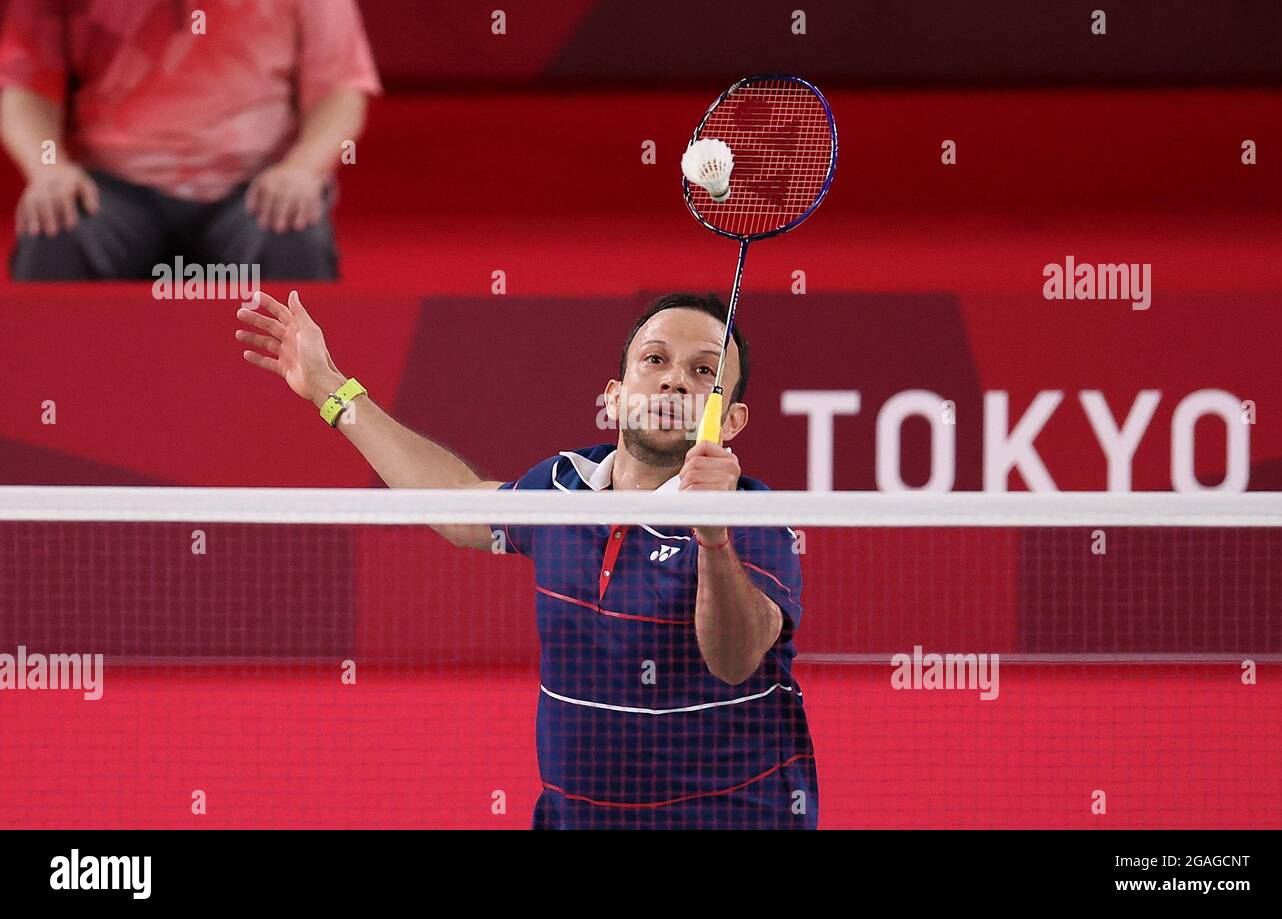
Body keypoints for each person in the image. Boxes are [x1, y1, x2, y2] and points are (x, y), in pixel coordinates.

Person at [236, 289, 818, 829]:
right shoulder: (563, 488)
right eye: (655, 360)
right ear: (614, 395)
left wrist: (714, 537)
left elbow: (736, 659)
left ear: (733, 422)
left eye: (703, 372)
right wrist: (331, 389)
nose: (673, 383)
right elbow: (457, 510)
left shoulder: (754, 519)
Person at [0, 0, 381, 281]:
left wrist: (301, 170)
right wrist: (47, 169)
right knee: (52, 227)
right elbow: (25, 88)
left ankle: (305, 390)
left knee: (294, 230)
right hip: (111, 192)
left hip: (251, 192)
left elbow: (339, 92)